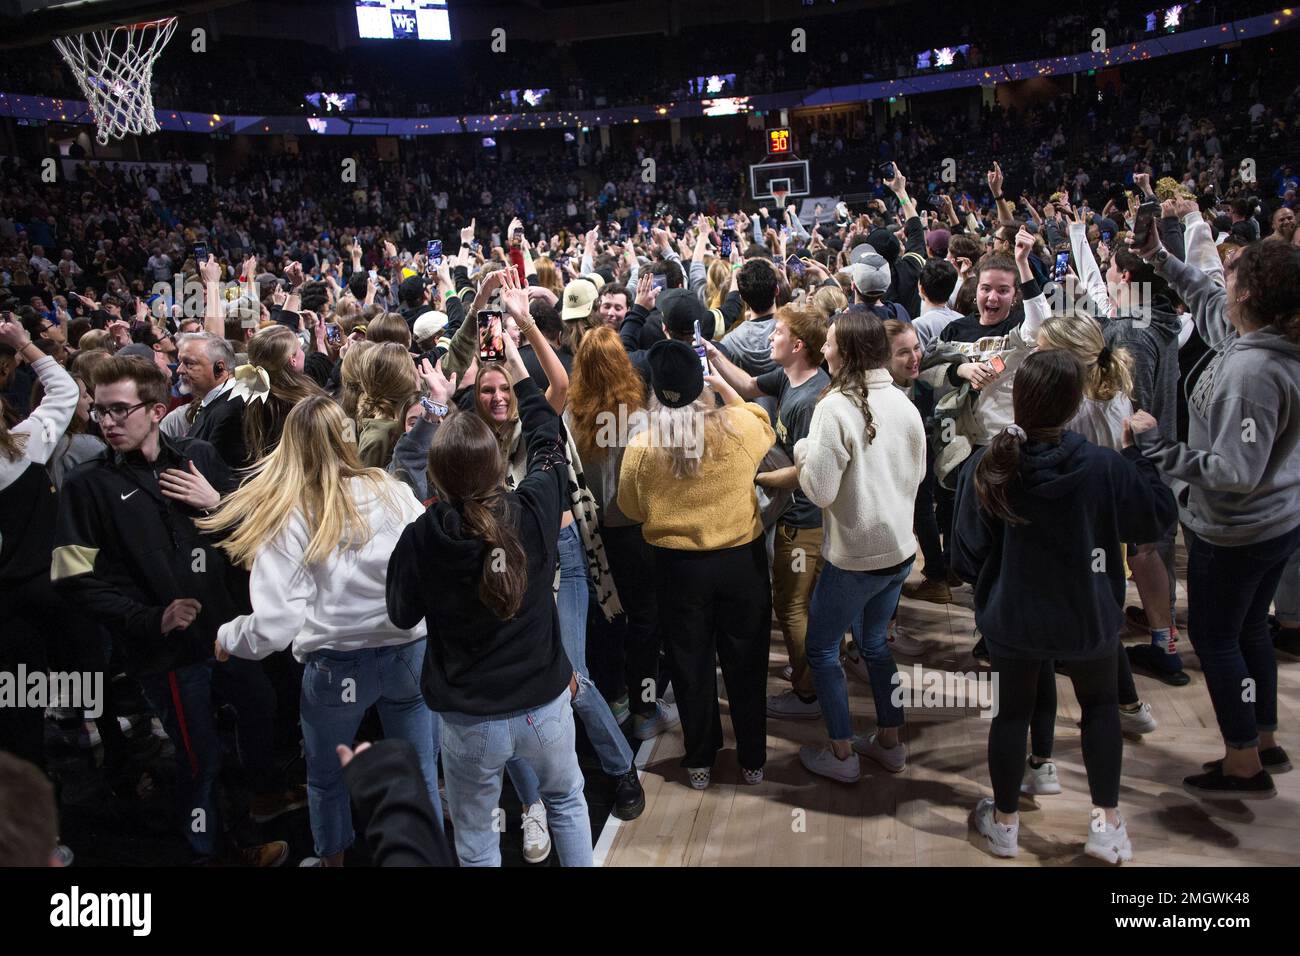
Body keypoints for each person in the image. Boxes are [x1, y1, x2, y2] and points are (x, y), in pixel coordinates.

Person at [50, 355, 295, 866]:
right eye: (99, 412)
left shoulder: (201, 457)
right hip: (166, 654)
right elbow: (71, 576)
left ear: (157, 410)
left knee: (258, 713)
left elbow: (252, 532)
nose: (108, 422)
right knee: (197, 756)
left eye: (120, 410)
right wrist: (148, 619)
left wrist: (218, 502)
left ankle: (254, 815)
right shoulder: (87, 487)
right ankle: (209, 854)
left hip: (229, 634)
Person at [953, 349, 1177, 862]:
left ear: (1019, 398)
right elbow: (1153, 521)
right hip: (1088, 612)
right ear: (1075, 403)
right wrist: (1140, 454)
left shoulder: (992, 465)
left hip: (1014, 614)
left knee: (1012, 713)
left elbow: (967, 552)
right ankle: (1106, 824)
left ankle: (1006, 824)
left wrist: (995, 579)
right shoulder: (1104, 465)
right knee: (1100, 709)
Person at [201, 395, 440, 867]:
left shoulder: (289, 512)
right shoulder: (391, 490)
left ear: (290, 444)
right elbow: (426, 564)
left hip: (337, 667)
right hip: (407, 654)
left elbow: (274, 625)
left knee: (327, 778)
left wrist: (228, 638)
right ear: (345, 437)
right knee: (420, 775)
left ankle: (334, 861)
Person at [386, 329, 594, 867]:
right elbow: (548, 434)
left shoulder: (422, 535)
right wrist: (522, 345)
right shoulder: (532, 509)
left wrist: (442, 405)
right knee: (568, 801)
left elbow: (402, 613)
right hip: (543, 707)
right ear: (496, 465)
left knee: (477, 840)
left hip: (468, 719)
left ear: (439, 474)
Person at [1129, 235, 1300, 798]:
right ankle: (1264, 737)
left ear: (1248, 294)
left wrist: (1159, 447)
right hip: (1273, 521)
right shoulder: (1261, 334)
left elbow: (1234, 472)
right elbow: (1204, 299)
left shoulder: (1254, 373)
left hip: (1237, 530)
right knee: (1250, 628)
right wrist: (1159, 256)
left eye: (1231, 273)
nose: (1220, 278)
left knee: (1217, 638)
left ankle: (1242, 763)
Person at [618, 339, 775, 790]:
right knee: (747, 663)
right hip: (740, 563)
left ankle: (701, 759)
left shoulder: (643, 447)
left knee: (690, 665)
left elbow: (630, 510)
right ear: (700, 381)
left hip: (677, 569)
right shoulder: (739, 429)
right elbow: (762, 419)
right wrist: (725, 389)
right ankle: (753, 760)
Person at [794, 309, 925, 782]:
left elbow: (820, 491)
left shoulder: (833, 408)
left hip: (855, 559)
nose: (822, 349)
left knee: (824, 651)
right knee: (874, 645)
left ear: (846, 351)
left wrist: (802, 452)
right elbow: (918, 474)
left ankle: (842, 754)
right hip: (899, 550)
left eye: (829, 343)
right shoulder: (903, 400)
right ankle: (889, 743)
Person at [703, 305, 832, 719]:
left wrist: (755, 480)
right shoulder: (790, 376)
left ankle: (808, 691)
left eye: (776, 333)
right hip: (795, 513)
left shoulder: (811, 401)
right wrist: (713, 358)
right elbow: (749, 387)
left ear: (797, 346)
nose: (768, 339)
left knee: (792, 604)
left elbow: (805, 471)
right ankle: (820, 668)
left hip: (805, 518)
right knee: (804, 602)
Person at [564, 326, 678, 739]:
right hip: (634, 532)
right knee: (645, 620)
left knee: (607, 618)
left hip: (588, 534)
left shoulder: (569, 413)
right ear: (622, 364)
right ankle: (645, 711)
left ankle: (614, 701)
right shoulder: (640, 416)